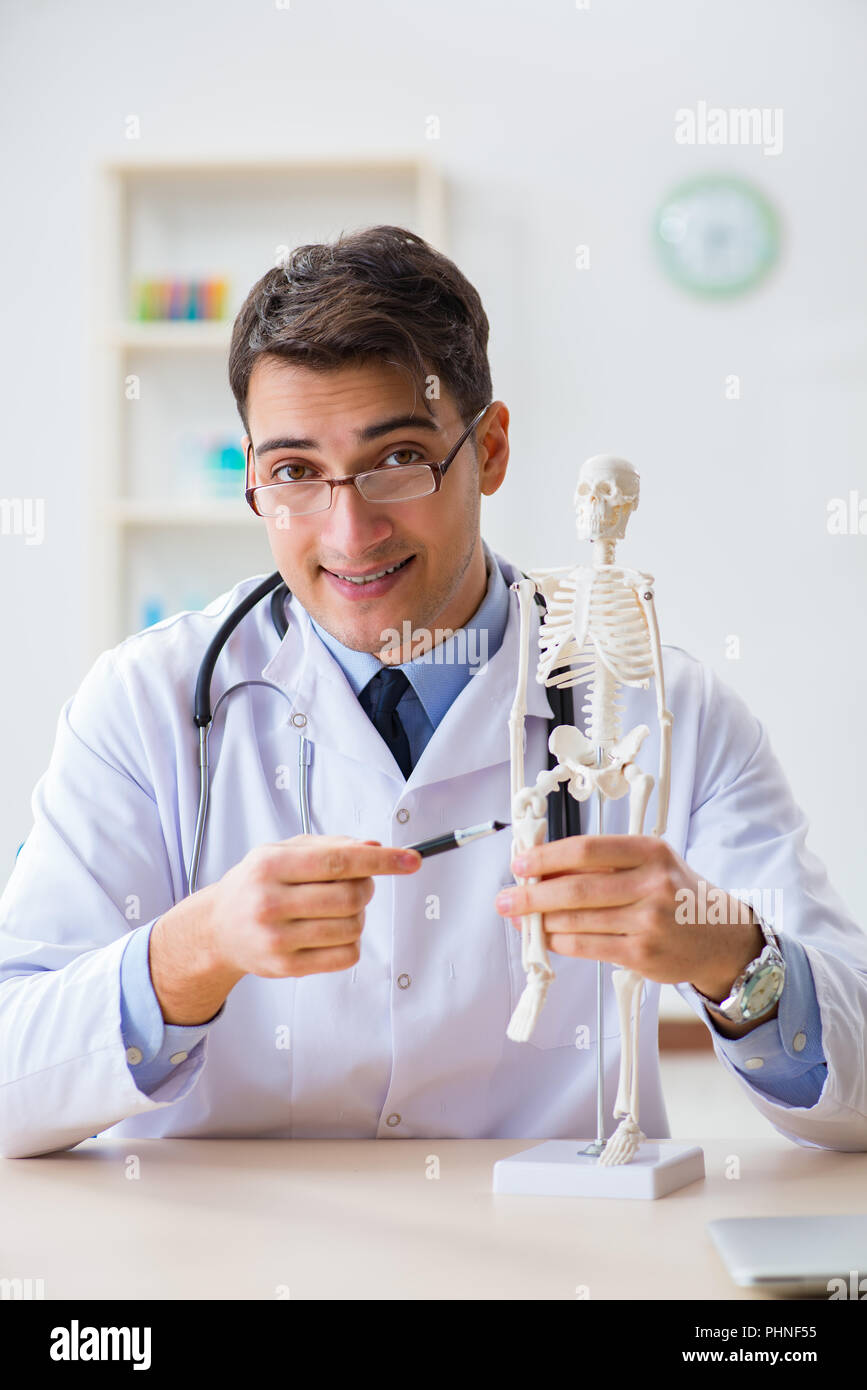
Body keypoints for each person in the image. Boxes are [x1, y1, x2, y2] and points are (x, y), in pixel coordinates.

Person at [1, 225, 865, 1160]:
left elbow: (854, 1095)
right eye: (294, 473)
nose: (350, 529)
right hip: (221, 1262)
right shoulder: (146, 703)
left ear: (488, 449)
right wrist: (193, 950)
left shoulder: (668, 709)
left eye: (398, 458)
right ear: (252, 479)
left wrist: (732, 958)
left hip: (553, 1259)